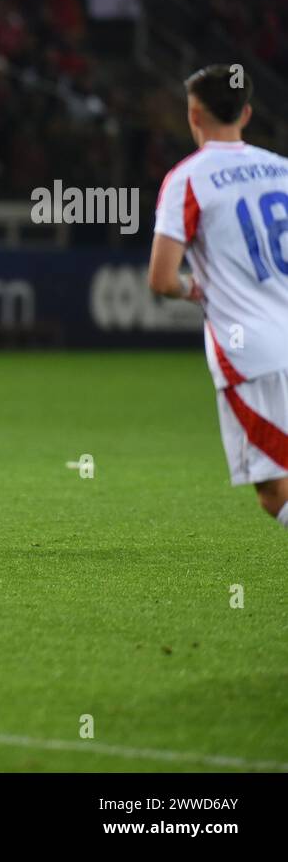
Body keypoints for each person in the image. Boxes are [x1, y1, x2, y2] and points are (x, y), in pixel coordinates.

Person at [147, 64, 288, 529]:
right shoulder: (282, 169)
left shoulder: (189, 179)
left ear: (193, 115)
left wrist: (193, 288)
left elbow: (162, 278)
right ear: (246, 113)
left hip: (252, 354)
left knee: (275, 492)